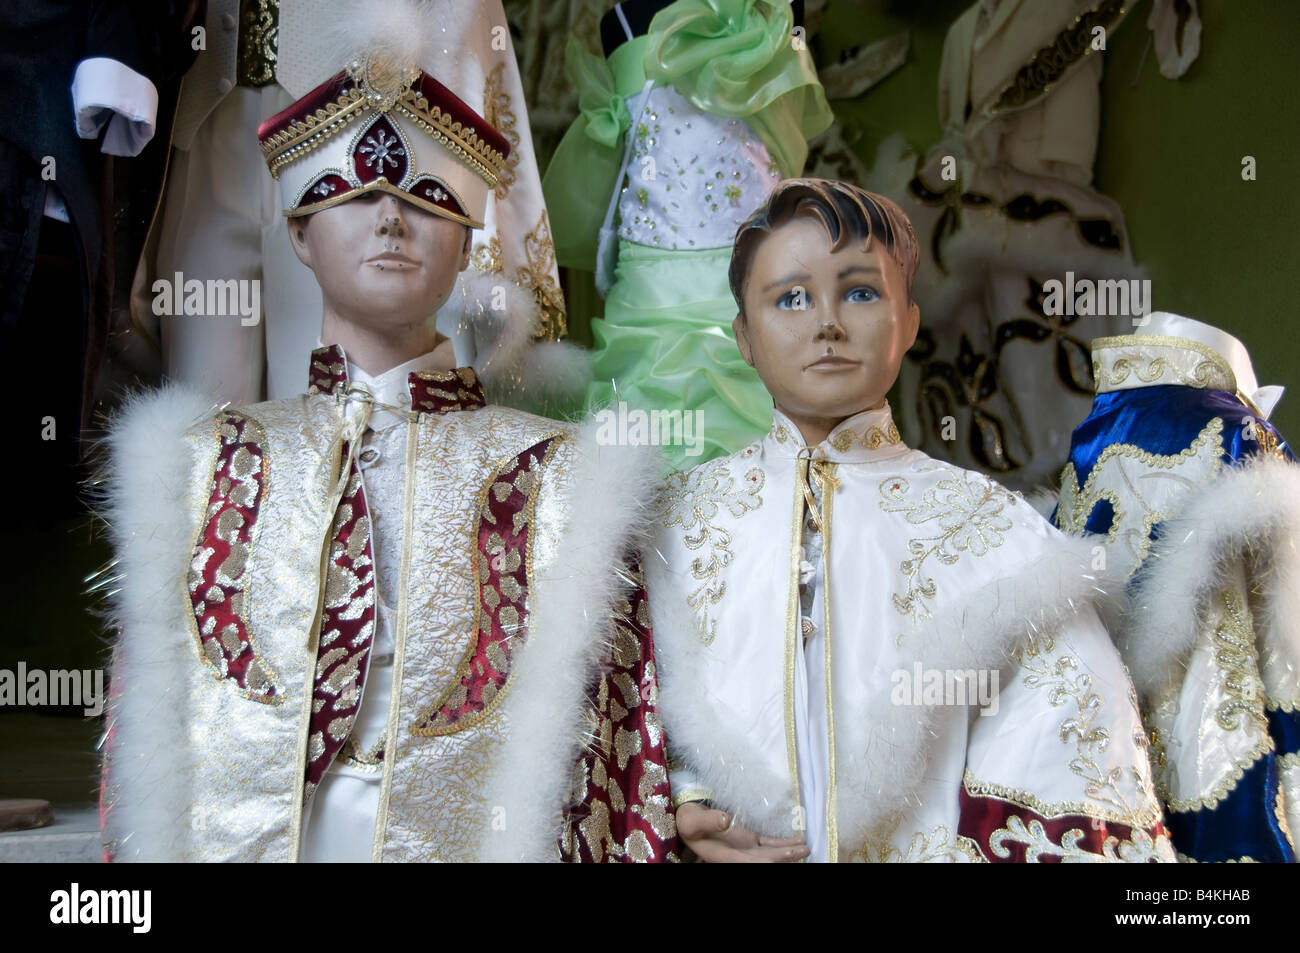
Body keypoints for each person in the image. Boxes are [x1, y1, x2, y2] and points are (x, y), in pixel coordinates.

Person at [98, 34, 676, 863]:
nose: (392, 219)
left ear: (469, 232)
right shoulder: (200, 465)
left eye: (426, 196)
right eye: (352, 194)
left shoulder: (563, 477)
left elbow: (617, 768)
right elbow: (147, 744)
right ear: (298, 233)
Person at [648, 178, 1172, 862]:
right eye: (791, 297)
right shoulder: (675, 521)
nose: (827, 322)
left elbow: (1072, 731)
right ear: (744, 335)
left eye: (861, 291)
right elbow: (615, 717)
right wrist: (679, 798)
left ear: (911, 322)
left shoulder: (991, 528)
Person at [544, 0, 832, 468]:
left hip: (752, 286)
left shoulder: (778, 9)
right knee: (639, 470)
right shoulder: (622, 17)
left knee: (765, 471)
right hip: (648, 299)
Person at [1054, 312, 1298, 862]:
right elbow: (1287, 649)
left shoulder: (1092, 433)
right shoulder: (1238, 428)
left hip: (1107, 761)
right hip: (1223, 752)